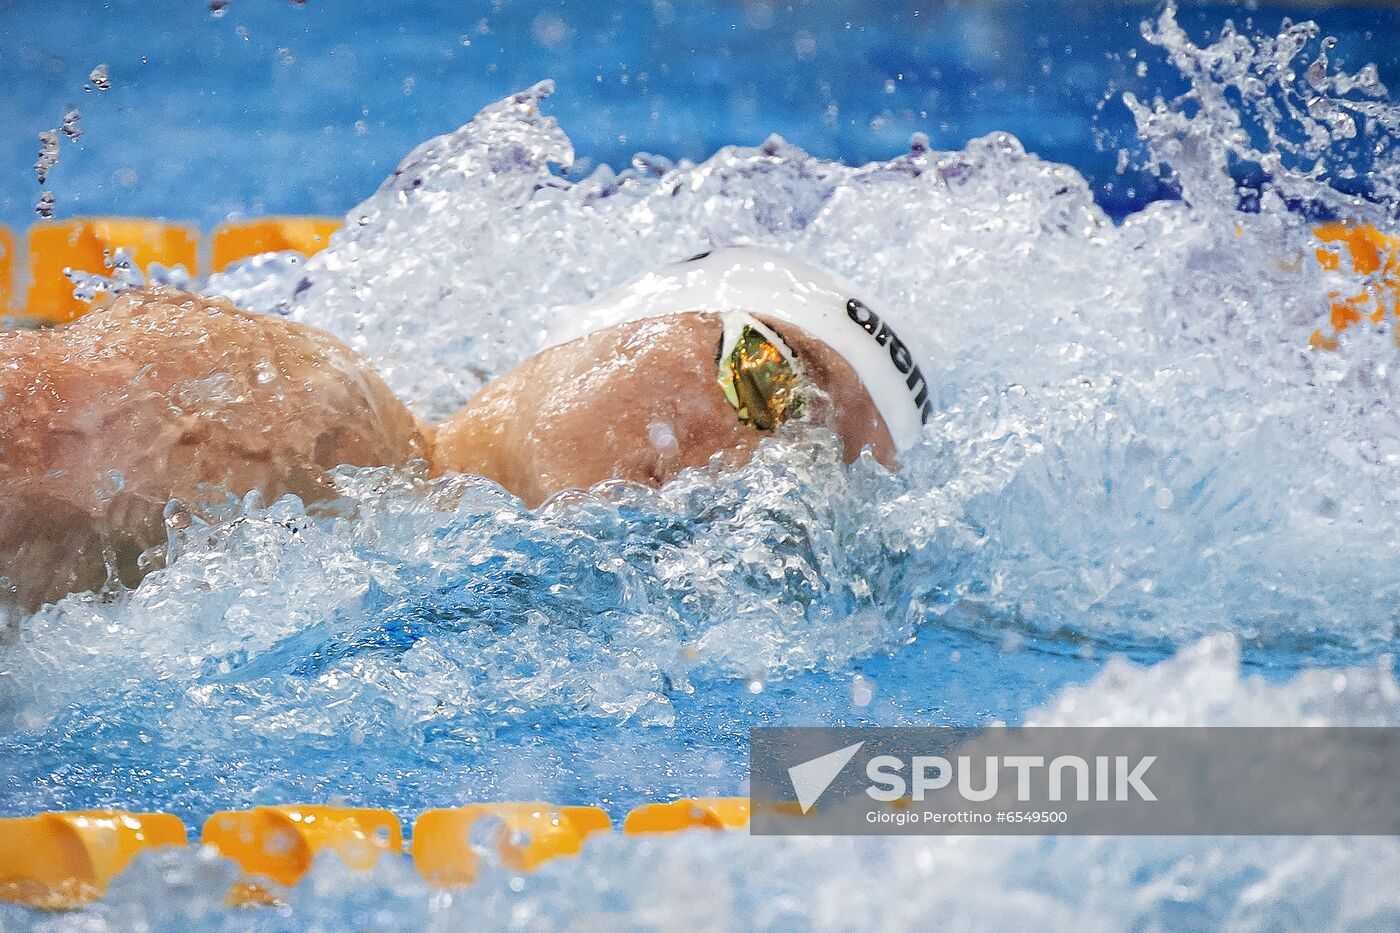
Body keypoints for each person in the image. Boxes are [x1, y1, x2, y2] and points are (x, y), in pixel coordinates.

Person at [0, 247, 929, 615]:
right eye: (764, 380)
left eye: (810, 471)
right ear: (619, 327)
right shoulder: (314, 414)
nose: (743, 464)